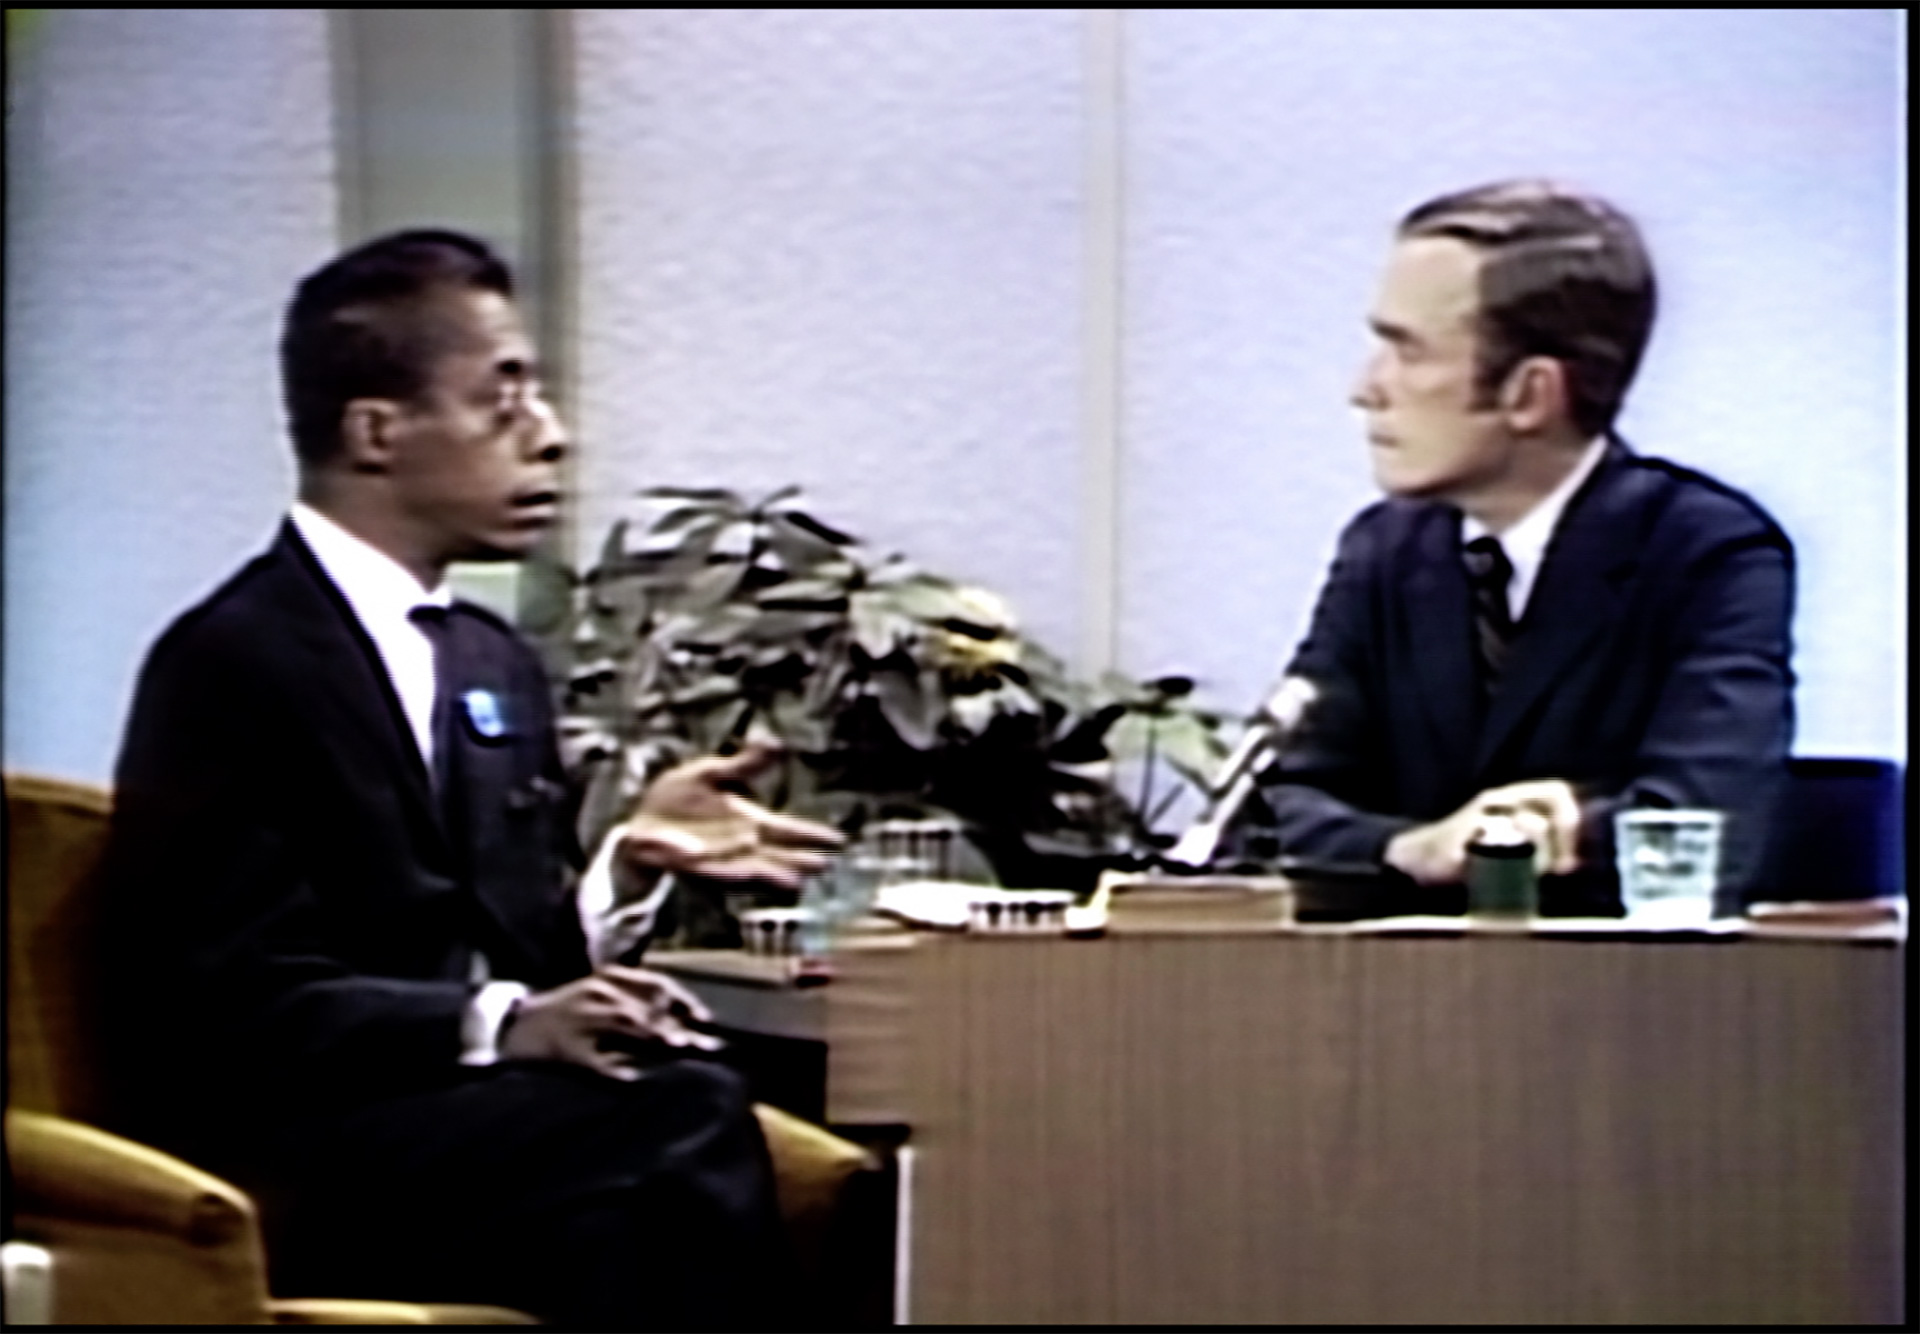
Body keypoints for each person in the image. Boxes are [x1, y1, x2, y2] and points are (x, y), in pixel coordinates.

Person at [99, 229, 845, 1326]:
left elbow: (522, 955)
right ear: (377, 431)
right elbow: (223, 999)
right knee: (680, 1124)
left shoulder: (495, 661)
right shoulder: (232, 658)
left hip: (491, 1131)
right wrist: (496, 1022)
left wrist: (625, 868)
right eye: (505, 401)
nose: (553, 436)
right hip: (312, 1138)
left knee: (667, 1166)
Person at [1258, 181, 1794, 916]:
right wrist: (1413, 849)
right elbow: (1273, 811)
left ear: (1530, 394)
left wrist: (1522, 841)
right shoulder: (1383, 550)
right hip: (1393, 983)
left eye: (1407, 352)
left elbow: (1702, 830)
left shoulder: (1708, 553)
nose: (1366, 389)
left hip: (1618, 982)